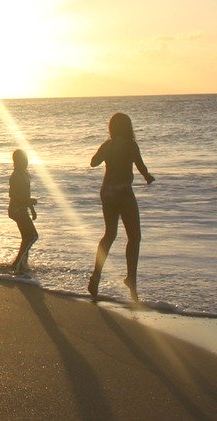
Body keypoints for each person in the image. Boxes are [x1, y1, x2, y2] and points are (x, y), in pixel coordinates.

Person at [88, 112, 155, 301]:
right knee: (134, 237)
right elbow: (140, 166)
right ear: (128, 128)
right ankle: (131, 279)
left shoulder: (108, 145)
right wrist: (148, 177)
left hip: (107, 192)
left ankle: (96, 275)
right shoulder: (131, 145)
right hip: (124, 192)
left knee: (109, 234)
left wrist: (105, 152)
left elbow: (93, 163)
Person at [8, 149, 39, 274]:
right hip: (16, 210)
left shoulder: (24, 174)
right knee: (32, 236)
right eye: (21, 160)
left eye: (25, 159)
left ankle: (23, 264)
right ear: (16, 161)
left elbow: (27, 194)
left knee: (27, 236)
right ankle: (17, 264)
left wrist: (32, 209)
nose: (24, 162)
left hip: (23, 209)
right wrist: (29, 201)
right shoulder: (15, 176)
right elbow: (12, 195)